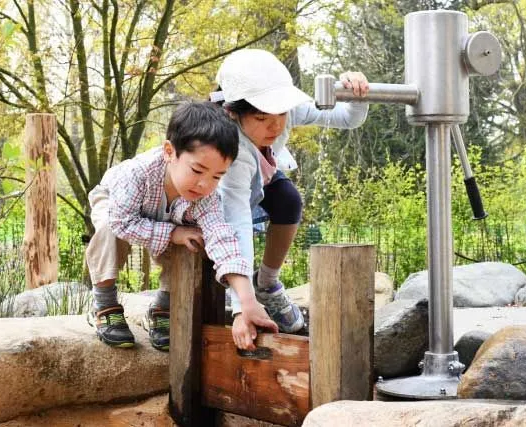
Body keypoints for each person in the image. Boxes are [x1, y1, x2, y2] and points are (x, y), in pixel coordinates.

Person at [85, 101, 278, 351]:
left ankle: (162, 306)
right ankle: (105, 302)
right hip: (115, 204)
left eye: (217, 176)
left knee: (195, 238)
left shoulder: (206, 196)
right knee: (109, 229)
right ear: (169, 152)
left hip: (165, 215)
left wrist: (247, 300)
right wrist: (172, 232)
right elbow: (123, 222)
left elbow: (222, 239)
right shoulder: (136, 174)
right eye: (197, 170)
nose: (204, 185)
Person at [211, 49, 369, 333]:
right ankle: (193, 297)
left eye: (281, 112)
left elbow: (347, 118)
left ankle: (267, 283)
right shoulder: (230, 147)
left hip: (262, 179)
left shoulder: (285, 111)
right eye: (261, 118)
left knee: (288, 199)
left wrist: (355, 93)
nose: (276, 125)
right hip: (214, 199)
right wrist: (242, 307)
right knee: (210, 239)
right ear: (232, 113)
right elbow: (238, 224)